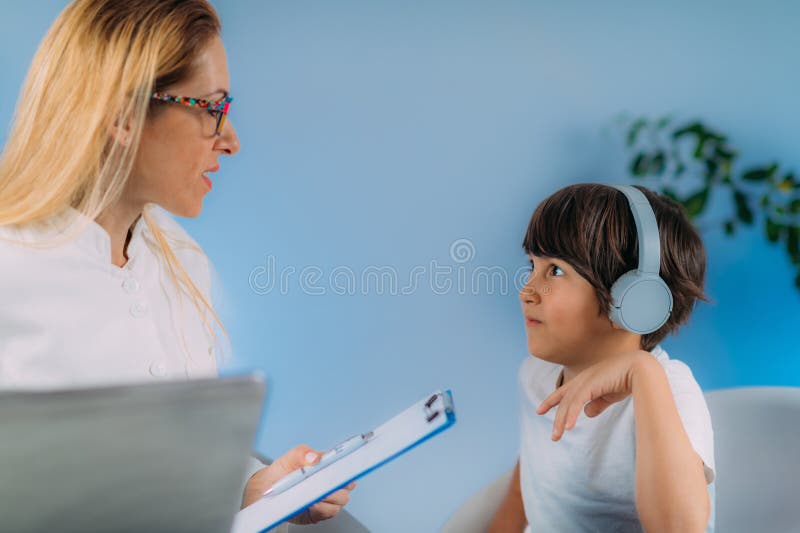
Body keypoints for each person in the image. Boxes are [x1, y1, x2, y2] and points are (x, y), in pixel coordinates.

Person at [0, 0, 354, 526]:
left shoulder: (182, 261)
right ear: (122, 116)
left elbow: (170, 465)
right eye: (210, 108)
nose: (230, 141)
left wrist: (251, 488)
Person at [488, 183, 715, 532]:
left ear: (634, 300)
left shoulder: (668, 391)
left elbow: (679, 528)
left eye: (555, 271)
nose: (527, 291)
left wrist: (642, 372)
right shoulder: (535, 375)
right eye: (532, 265)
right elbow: (527, 487)